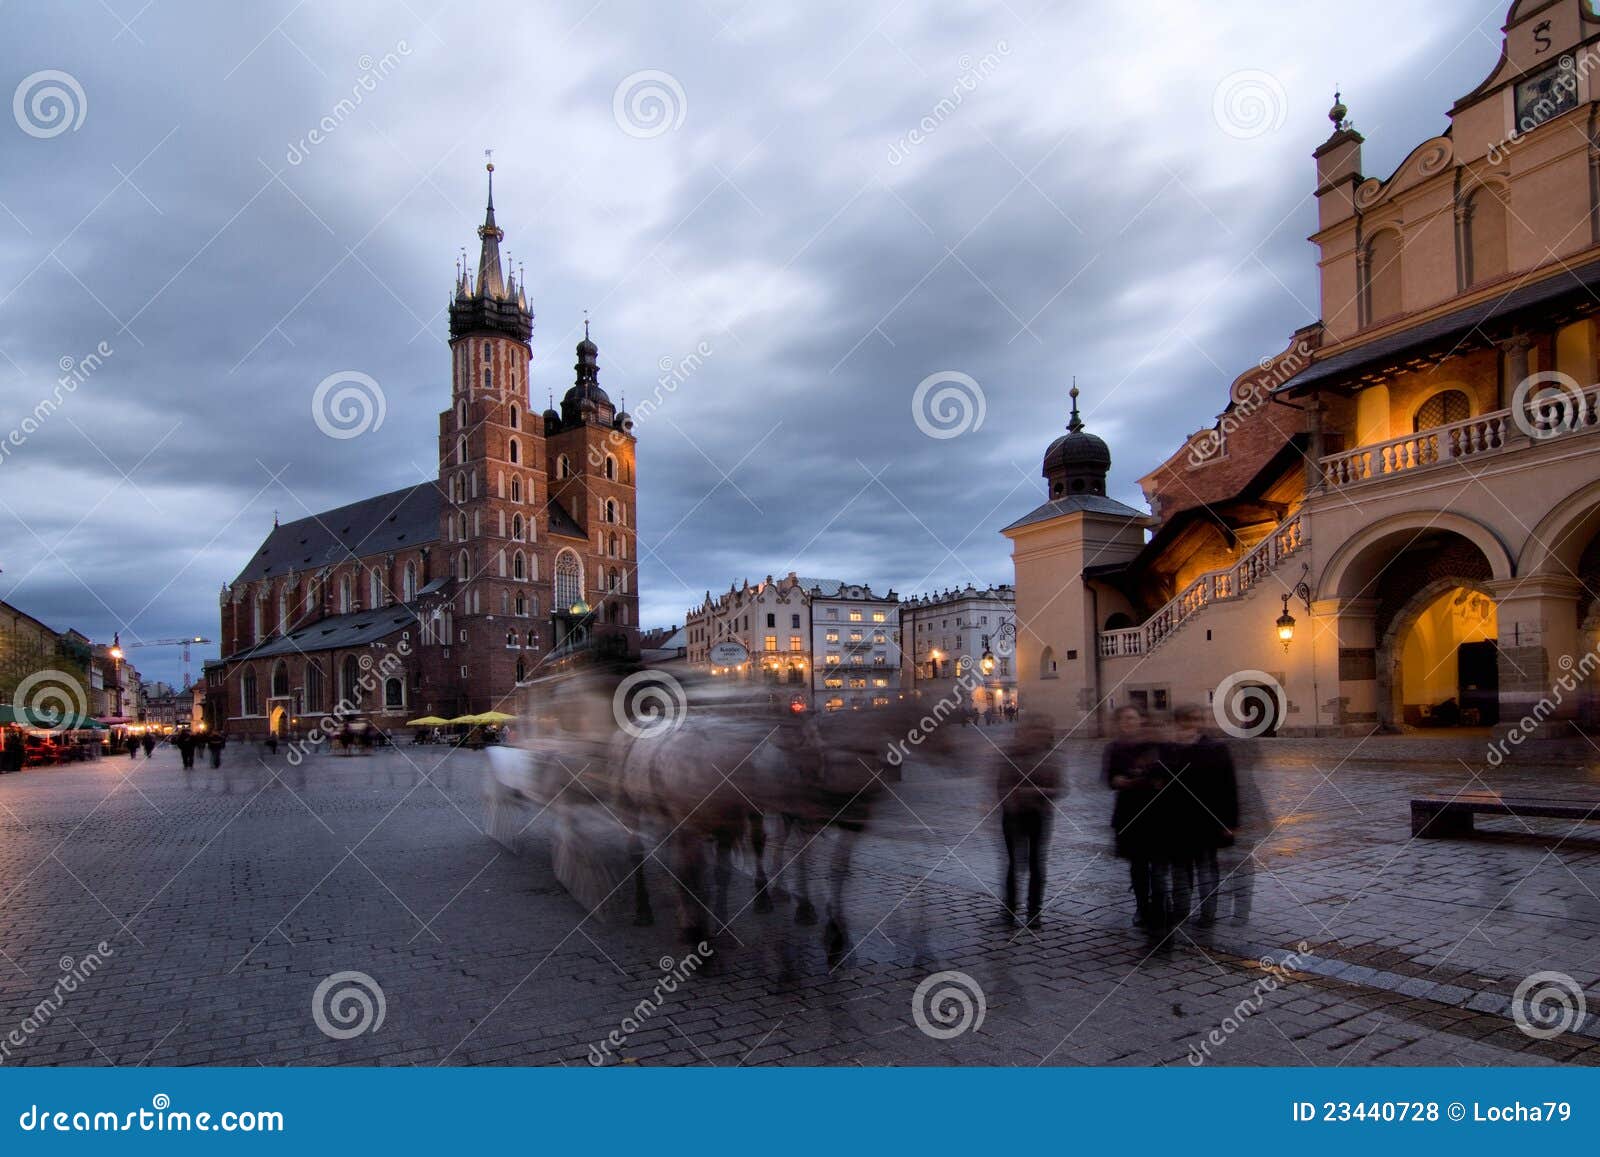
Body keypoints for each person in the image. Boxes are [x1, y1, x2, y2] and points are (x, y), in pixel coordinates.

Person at [1166, 705, 1239, 930]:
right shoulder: (1169, 749)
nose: (1190, 725)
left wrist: (1230, 822)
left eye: (1194, 720)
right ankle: (1181, 912)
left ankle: (1208, 914)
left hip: (1207, 820)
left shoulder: (1216, 748)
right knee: (1180, 869)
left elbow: (1228, 787)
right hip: (1177, 821)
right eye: (1186, 720)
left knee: (1205, 868)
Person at [993, 714, 1063, 929]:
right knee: (1013, 864)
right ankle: (1009, 911)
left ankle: (1034, 912)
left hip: (1039, 815)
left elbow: (1060, 788)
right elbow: (1001, 785)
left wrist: (1038, 792)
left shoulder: (1051, 756)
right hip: (1013, 815)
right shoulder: (1010, 755)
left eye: (1038, 732)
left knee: (1036, 864)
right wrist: (1013, 796)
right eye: (1029, 731)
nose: (1033, 736)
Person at [1102, 705, 1164, 931]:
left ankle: (1160, 907)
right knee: (1138, 866)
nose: (1128, 722)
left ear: (1140, 720)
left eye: (1132, 718)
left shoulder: (1154, 746)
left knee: (1157, 866)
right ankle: (1142, 907)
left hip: (1156, 814)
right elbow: (1110, 780)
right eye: (1123, 719)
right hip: (1128, 814)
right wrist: (1127, 781)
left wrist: (1136, 779)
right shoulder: (1115, 748)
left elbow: (1162, 778)